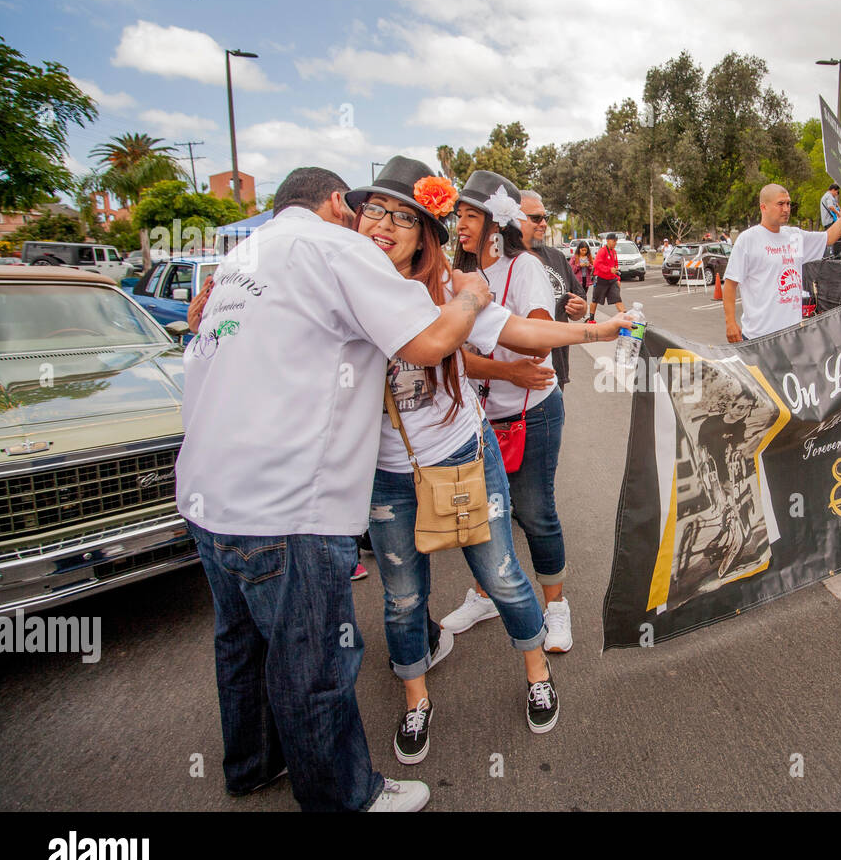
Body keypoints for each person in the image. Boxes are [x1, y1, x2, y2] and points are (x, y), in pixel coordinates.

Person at [177, 166, 496, 812]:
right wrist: (473, 295)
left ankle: (254, 765)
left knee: (241, 644)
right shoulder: (333, 246)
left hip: (209, 494)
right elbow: (431, 341)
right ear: (333, 203)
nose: (373, 224)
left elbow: (206, 350)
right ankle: (345, 798)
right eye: (365, 210)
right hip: (285, 504)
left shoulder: (245, 254)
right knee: (313, 665)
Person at [344, 159, 629, 750]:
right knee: (401, 600)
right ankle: (416, 701)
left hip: (462, 455)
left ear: (425, 234)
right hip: (387, 475)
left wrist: (597, 332)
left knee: (502, 576)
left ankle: (537, 673)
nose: (386, 225)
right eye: (376, 210)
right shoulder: (341, 288)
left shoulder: (449, 288)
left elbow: (521, 332)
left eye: (405, 217)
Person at [452, 171, 577, 653]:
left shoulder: (523, 267)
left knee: (534, 513)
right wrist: (503, 370)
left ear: (495, 222)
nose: (460, 225)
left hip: (534, 414)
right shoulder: (458, 277)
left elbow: (538, 348)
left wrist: (500, 361)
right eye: (457, 215)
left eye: (470, 215)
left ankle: (557, 608)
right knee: (482, 515)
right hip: (477, 419)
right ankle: (485, 594)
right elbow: (451, 355)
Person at [722, 182, 841, 342]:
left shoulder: (793, 237)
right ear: (763, 207)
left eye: (788, 203)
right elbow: (730, 284)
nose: (786, 209)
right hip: (759, 337)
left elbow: (830, 237)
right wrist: (730, 322)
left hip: (792, 337)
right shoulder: (749, 239)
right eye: (780, 204)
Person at [519, 190, 587, 390]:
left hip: (556, 368)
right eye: (536, 218)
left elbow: (577, 296)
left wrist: (580, 308)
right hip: (520, 373)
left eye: (545, 218)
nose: (544, 224)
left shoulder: (556, 257)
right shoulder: (506, 261)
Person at [588, 233, 626, 320]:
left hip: (612, 280)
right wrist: (609, 269)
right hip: (601, 279)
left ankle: (626, 319)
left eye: (616, 241)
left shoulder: (614, 252)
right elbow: (597, 264)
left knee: (617, 299)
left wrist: (618, 279)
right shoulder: (602, 251)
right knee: (595, 300)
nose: (615, 243)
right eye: (614, 241)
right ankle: (591, 319)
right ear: (608, 241)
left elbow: (616, 266)